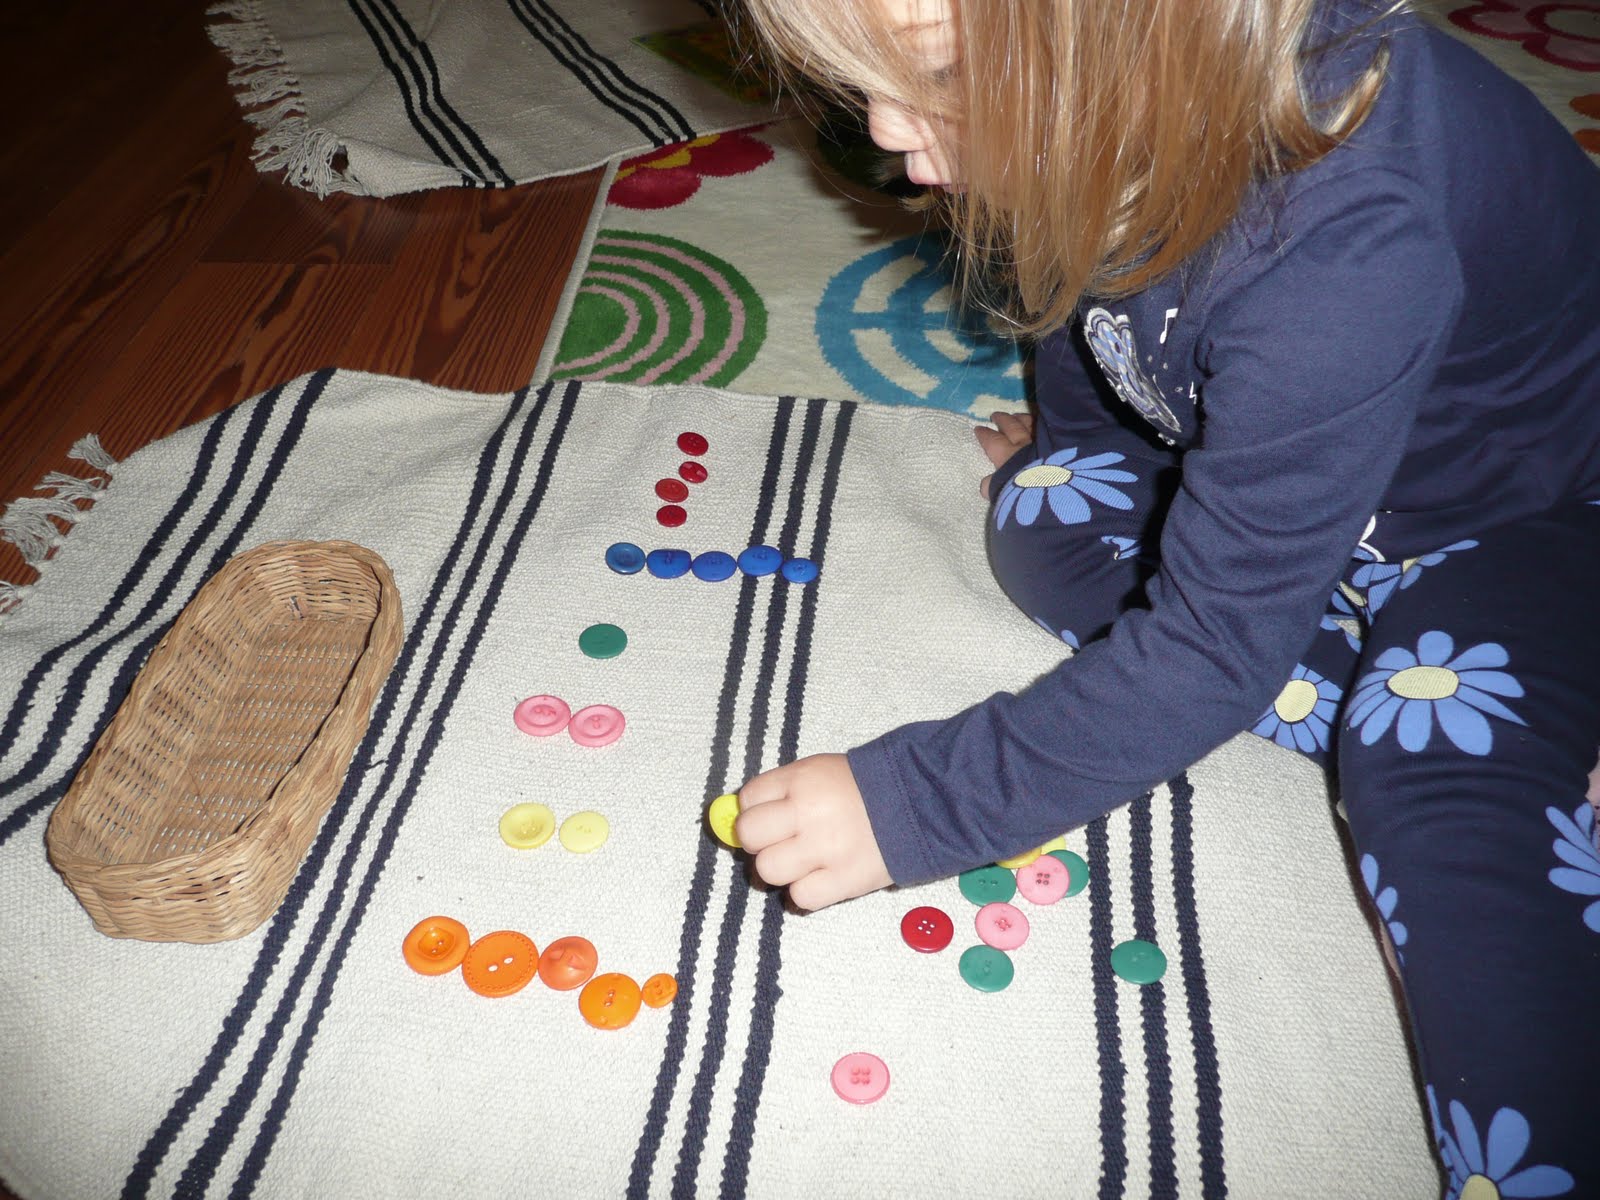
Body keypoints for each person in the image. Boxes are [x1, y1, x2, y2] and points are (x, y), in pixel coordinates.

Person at [730, 0, 1600, 1191]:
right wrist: (1087, 430)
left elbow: (1204, 647)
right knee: (1041, 512)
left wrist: (918, 805)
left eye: (929, 75)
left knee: (1423, 759)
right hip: (1319, 465)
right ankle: (1459, 704)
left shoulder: (1348, 243)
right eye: (863, 80)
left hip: (1527, 516)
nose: (884, 130)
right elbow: (1091, 280)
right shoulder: (1117, 97)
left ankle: (1480, 739)